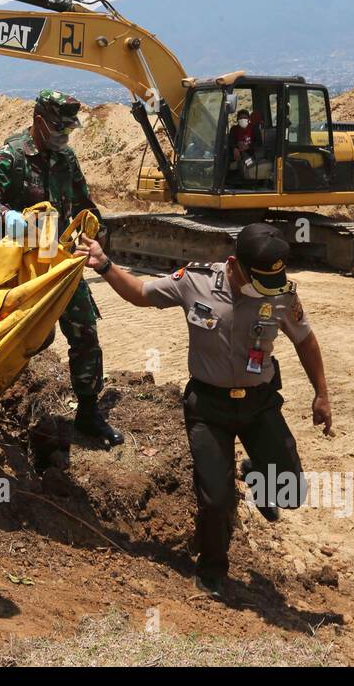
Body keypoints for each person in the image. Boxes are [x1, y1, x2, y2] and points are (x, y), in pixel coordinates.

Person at [76, 222, 332, 597]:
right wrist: (104, 264)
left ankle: (255, 475)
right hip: (208, 407)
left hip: (259, 405)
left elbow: (306, 341)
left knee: (290, 493)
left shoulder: (280, 295)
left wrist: (321, 394)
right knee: (216, 499)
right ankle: (212, 568)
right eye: (258, 279)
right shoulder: (194, 281)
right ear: (234, 265)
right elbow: (141, 293)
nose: (268, 287)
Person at [0, 89, 124, 447]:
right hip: (21, 268)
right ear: (39, 122)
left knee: (85, 332)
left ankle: (88, 412)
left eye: (68, 131)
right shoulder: (10, 156)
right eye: (58, 129)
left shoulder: (66, 158)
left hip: (61, 263)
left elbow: (86, 203)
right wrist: (6, 220)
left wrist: (95, 230)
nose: (64, 137)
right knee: (11, 338)